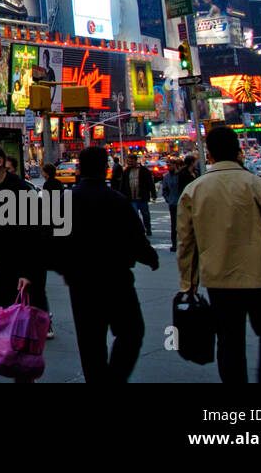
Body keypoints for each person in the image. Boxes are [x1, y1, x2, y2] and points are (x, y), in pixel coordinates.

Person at [177, 126, 261, 383]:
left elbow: (186, 243)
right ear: (239, 152)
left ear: (209, 154)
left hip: (219, 282)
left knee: (229, 341)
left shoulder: (194, 191)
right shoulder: (258, 186)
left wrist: (188, 283)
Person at [53, 146, 158, 382]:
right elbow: (135, 238)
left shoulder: (65, 201)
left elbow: (52, 242)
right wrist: (150, 258)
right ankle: (115, 377)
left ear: (79, 168)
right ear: (105, 169)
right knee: (132, 332)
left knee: (90, 343)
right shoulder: (117, 200)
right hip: (116, 279)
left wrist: (65, 268)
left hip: (81, 284)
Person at [0, 141, 49, 348]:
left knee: (21, 328)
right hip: (3, 266)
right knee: (10, 325)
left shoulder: (18, 189)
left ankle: (25, 372)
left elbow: (33, 233)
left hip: (20, 270)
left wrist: (27, 273)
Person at [118, 152, 156, 237]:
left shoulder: (144, 171)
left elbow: (150, 183)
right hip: (131, 197)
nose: (129, 163)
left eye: (131, 162)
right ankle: (138, 230)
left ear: (135, 161)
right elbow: (123, 184)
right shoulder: (126, 171)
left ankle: (148, 228)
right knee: (134, 215)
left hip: (142, 197)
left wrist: (153, 194)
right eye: (128, 162)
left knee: (145, 214)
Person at [161, 156, 183, 252]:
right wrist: (168, 199)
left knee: (182, 224)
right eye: (168, 165)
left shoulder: (181, 176)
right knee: (174, 224)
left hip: (182, 203)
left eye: (170, 165)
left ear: (175, 165)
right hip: (173, 203)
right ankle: (174, 243)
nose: (169, 167)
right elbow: (164, 190)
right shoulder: (167, 177)